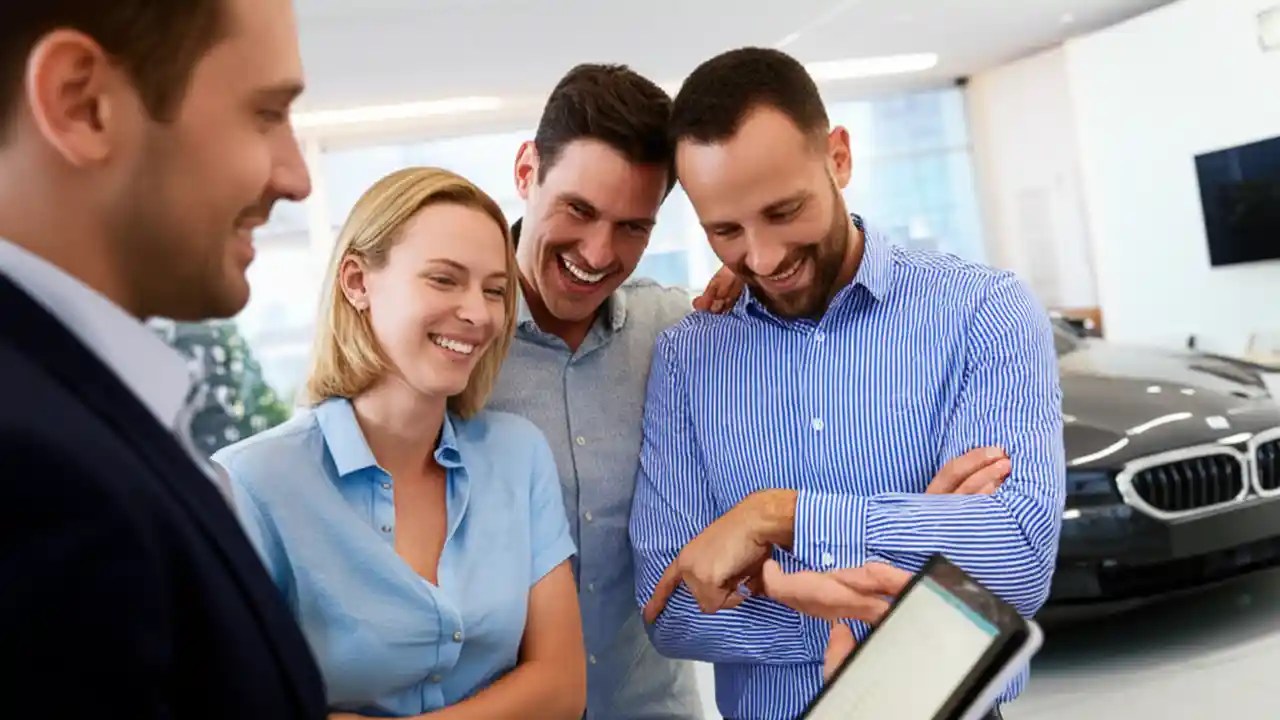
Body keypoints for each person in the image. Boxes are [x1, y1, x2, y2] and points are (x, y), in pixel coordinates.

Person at [631, 47, 1066, 720]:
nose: (764, 258)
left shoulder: (981, 312)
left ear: (838, 157)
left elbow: (1016, 561)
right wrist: (911, 569)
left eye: (783, 211)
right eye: (726, 231)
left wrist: (781, 518)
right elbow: (674, 609)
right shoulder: (689, 358)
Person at [0, 0, 324, 717]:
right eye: (266, 114)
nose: (297, 177)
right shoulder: (35, 480)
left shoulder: (76, 412)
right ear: (83, 105)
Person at [212, 167, 586, 720]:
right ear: (357, 282)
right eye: (443, 279)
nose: (478, 314)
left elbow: (561, 688)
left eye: (494, 290)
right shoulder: (253, 483)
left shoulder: (518, 455)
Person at [485, 63, 738, 719]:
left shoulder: (679, 332)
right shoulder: (454, 343)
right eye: (579, 210)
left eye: (633, 226)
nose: (599, 253)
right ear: (525, 172)